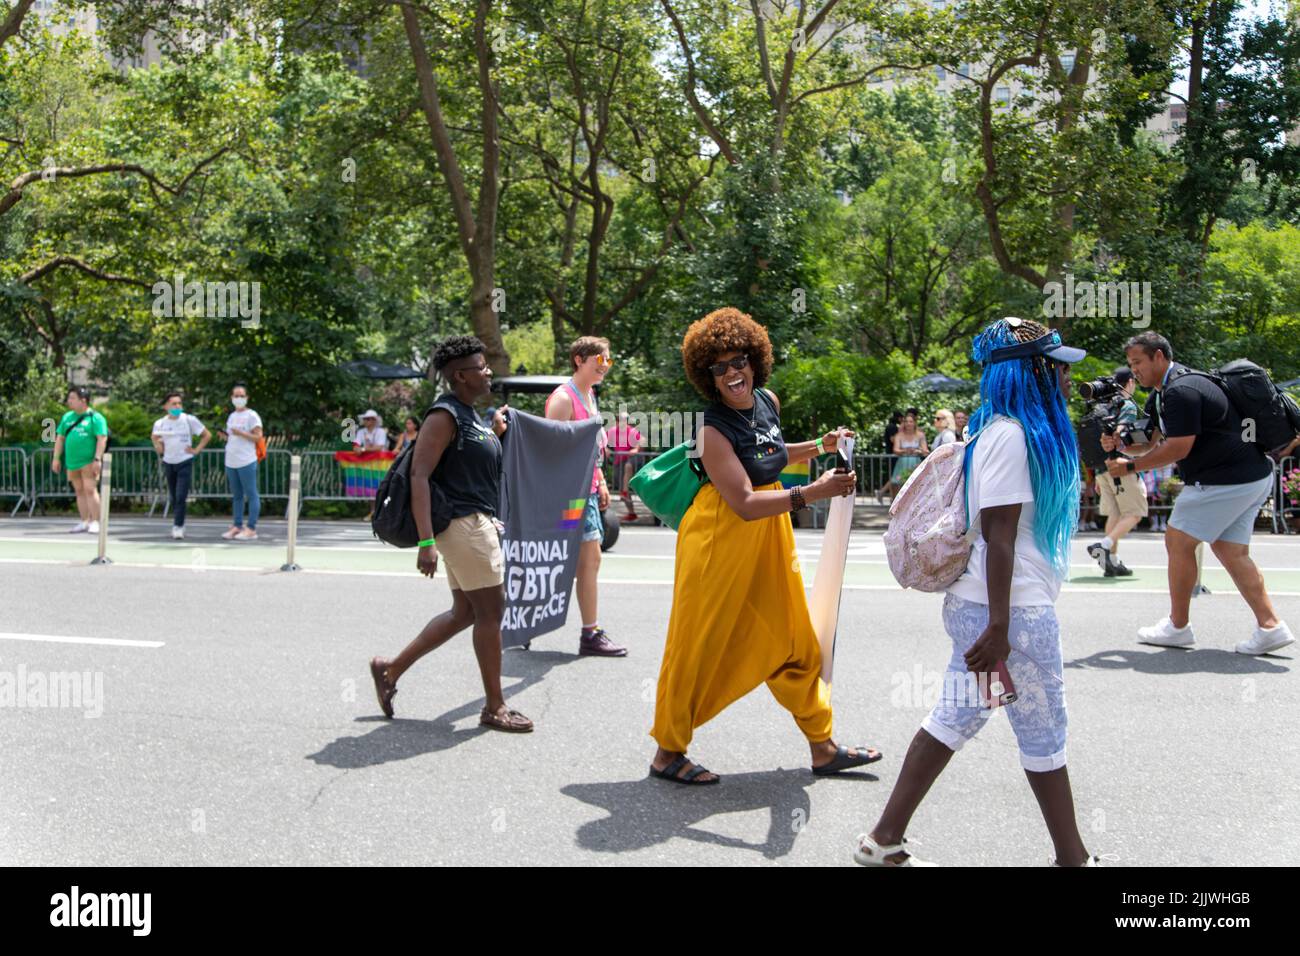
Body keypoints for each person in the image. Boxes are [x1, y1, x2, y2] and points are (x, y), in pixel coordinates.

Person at [854, 317, 1097, 867]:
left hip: (984, 608)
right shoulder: (1010, 436)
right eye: (1055, 365)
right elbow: (1000, 537)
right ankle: (1073, 858)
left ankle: (883, 839)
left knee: (954, 717)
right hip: (1010, 615)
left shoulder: (998, 430)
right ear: (1030, 370)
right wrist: (1001, 629)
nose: (1064, 375)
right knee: (1043, 733)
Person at [648, 306, 878, 784]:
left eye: (739, 362)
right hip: (721, 535)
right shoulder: (711, 431)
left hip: (769, 530)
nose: (733, 372)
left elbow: (769, 451)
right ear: (707, 376)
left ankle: (823, 747)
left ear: (755, 361)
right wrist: (815, 492)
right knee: (697, 646)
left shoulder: (766, 400)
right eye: (720, 367)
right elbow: (745, 502)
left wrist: (820, 444)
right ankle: (668, 752)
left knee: (795, 637)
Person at [368, 336, 529, 731]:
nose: (489, 370)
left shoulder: (471, 415)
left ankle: (390, 669)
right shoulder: (443, 416)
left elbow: (468, 464)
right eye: (481, 366)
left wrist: (496, 431)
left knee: (466, 612)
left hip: (473, 523)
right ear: (460, 375)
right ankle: (495, 707)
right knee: (491, 613)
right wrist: (425, 542)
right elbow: (419, 475)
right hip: (462, 526)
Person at [1107, 331, 1293, 655]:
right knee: (1232, 552)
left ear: (1159, 357)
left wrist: (1131, 468)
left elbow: (1178, 447)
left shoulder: (1182, 390)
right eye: (1130, 364)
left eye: (1138, 363)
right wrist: (1120, 442)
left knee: (1178, 539)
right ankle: (1271, 627)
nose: (1134, 370)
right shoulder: (1164, 393)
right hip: (1250, 476)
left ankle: (1178, 626)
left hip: (1225, 480)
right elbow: (1149, 440)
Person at [544, 336, 626, 657]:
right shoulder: (564, 400)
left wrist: (601, 479)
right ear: (579, 360)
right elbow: (550, 452)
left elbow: (590, 448)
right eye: (600, 360)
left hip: (587, 490)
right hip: (570, 496)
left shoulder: (589, 395)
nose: (605, 366)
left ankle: (523, 618)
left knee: (577, 562)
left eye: (609, 361)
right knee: (585, 561)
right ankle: (589, 634)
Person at [1087, 367, 1145, 576]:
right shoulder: (1127, 405)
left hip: (1102, 469)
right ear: (1129, 382)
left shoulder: (1102, 406)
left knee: (1116, 513)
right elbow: (1121, 432)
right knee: (1135, 513)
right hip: (1121, 466)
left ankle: (1112, 561)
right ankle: (1103, 545)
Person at [151, 392, 211, 540]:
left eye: (179, 403)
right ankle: (179, 523)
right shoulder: (160, 423)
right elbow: (157, 442)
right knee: (172, 496)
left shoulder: (189, 419)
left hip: (185, 461)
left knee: (180, 495)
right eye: (174, 404)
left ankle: (178, 526)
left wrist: (196, 450)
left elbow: (207, 435)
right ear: (166, 406)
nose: (177, 406)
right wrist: (157, 444)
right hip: (169, 462)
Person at [51, 386, 108, 534]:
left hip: (88, 461)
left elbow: (102, 438)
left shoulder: (95, 417)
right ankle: (84, 521)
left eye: (72, 398)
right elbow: (60, 438)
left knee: (90, 489)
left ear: (83, 401)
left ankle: (96, 521)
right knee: (79, 491)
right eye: (69, 398)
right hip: (72, 461)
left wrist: (97, 459)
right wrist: (56, 458)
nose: (69, 401)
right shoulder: (67, 417)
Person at [219, 383, 263, 541]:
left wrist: (242, 433)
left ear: (247, 398)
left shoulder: (252, 415)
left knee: (251, 493)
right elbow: (232, 436)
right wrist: (225, 436)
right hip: (231, 459)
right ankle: (237, 525)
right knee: (237, 495)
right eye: (235, 396)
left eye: (241, 396)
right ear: (231, 398)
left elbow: (258, 436)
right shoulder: (231, 416)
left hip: (246, 459)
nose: (238, 398)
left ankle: (251, 528)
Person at [877, 411, 929, 501]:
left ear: (914, 423)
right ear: (903, 423)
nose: (908, 423)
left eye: (911, 421)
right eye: (906, 421)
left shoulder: (920, 435)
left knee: (915, 486)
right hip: (902, 462)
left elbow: (926, 451)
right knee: (898, 485)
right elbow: (895, 449)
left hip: (915, 463)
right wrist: (905, 450)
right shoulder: (899, 435)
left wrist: (918, 451)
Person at [605, 409, 645, 519]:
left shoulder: (631, 431)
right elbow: (601, 441)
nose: (621, 422)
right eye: (619, 420)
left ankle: (625, 491)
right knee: (621, 485)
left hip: (633, 459)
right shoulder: (612, 431)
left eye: (624, 420)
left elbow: (643, 441)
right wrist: (606, 448)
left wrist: (636, 449)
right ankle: (631, 513)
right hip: (620, 460)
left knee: (628, 468)